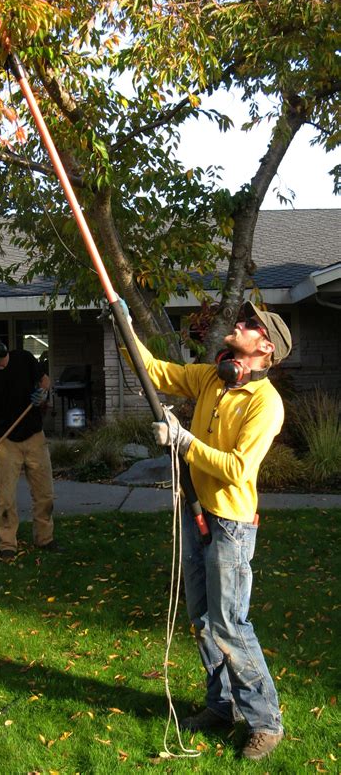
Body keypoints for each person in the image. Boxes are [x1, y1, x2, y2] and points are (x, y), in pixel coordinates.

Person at [122, 300, 292, 761]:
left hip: (231, 524)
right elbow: (155, 371)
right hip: (195, 511)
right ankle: (221, 705)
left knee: (229, 624)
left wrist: (184, 441)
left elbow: (237, 469)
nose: (239, 323)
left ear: (266, 348)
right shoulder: (212, 378)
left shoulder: (265, 404)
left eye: (250, 324)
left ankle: (265, 721)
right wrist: (123, 324)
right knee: (201, 619)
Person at [0, 330, 61, 560]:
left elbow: (45, 380)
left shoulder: (24, 359)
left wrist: (42, 393)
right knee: (6, 498)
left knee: (44, 494)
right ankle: (7, 544)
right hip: (6, 442)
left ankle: (45, 538)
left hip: (35, 436)